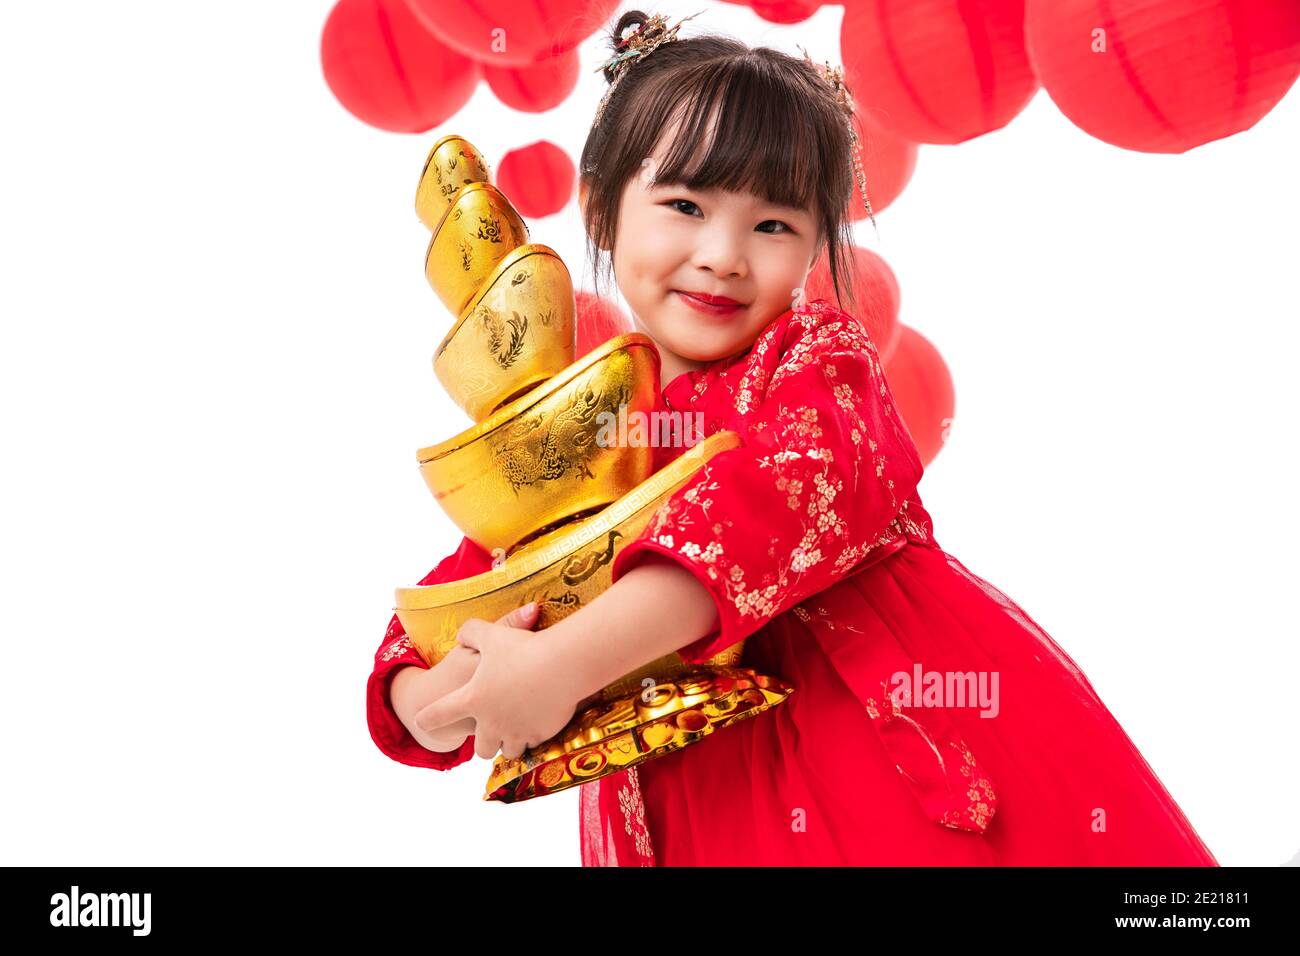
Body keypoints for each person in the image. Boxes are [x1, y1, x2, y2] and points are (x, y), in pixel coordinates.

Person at [366, 9, 1220, 867]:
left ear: (816, 240)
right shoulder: (589, 428)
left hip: (866, 744)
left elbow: (770, 508)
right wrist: (442, 690)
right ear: (601, 208)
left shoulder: (812, 361)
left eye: (774, 224)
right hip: (688, 808)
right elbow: (482, 574)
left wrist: (559, 667)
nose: (724, 254)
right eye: (685, 205)